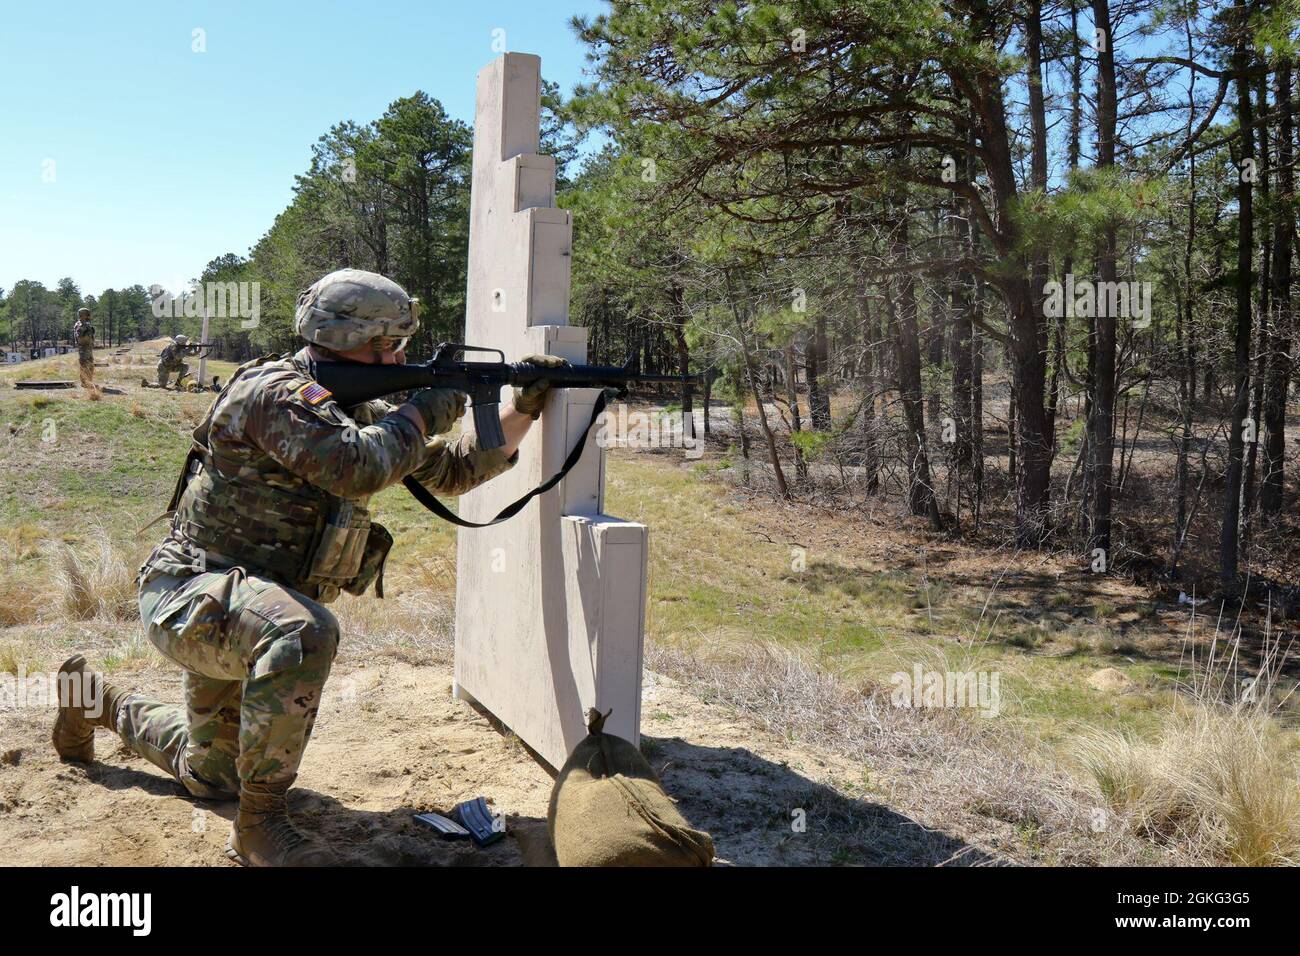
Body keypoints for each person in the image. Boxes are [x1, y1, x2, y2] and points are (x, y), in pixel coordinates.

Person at [52, 268, 565, 866]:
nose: (401, 354)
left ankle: (91, 698)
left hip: (250, 606)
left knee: (211, 774)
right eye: (393, 344)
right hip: (192, 594)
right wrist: (424, 410)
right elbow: (357, 466)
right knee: (303, 631)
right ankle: (261, 826)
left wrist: (522, 406)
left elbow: (451, 471)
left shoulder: (360, 408)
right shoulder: (273, 393)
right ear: (363, 343)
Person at [72, 307, 95, 387]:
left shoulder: (86, 324)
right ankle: (84, 383)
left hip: (88, 348)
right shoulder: (79, 325)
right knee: (84, 365)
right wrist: (85, 327)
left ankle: (89, 381)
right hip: (83, 348)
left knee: (90, 365)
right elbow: (80, 337)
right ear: (83, 315)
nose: (89, 316)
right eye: (87, 315)